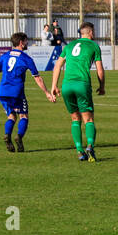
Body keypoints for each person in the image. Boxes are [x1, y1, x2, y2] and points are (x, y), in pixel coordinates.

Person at [0, 32, 53, 153]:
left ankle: (7, 134)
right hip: (16, 92)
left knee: (11, 116)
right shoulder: (26, 58)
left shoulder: (4, 56)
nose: (27, 43)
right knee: (23, 116)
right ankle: (19, 137)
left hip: (2, 92)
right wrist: (47, 92)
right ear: (21, 43)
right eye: (26, 41)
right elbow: (37, 78)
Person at [50, 22, 105, 162]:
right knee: (89, 119)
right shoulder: (94, 46)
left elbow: (58, 65)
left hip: (67, 85)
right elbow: (99, 69)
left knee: (75, 118)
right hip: (82, 84)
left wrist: (54, 86)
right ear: (91, 32)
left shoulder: (68, 46)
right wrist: (102, 86)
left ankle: (80, 151)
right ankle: (90, 146)